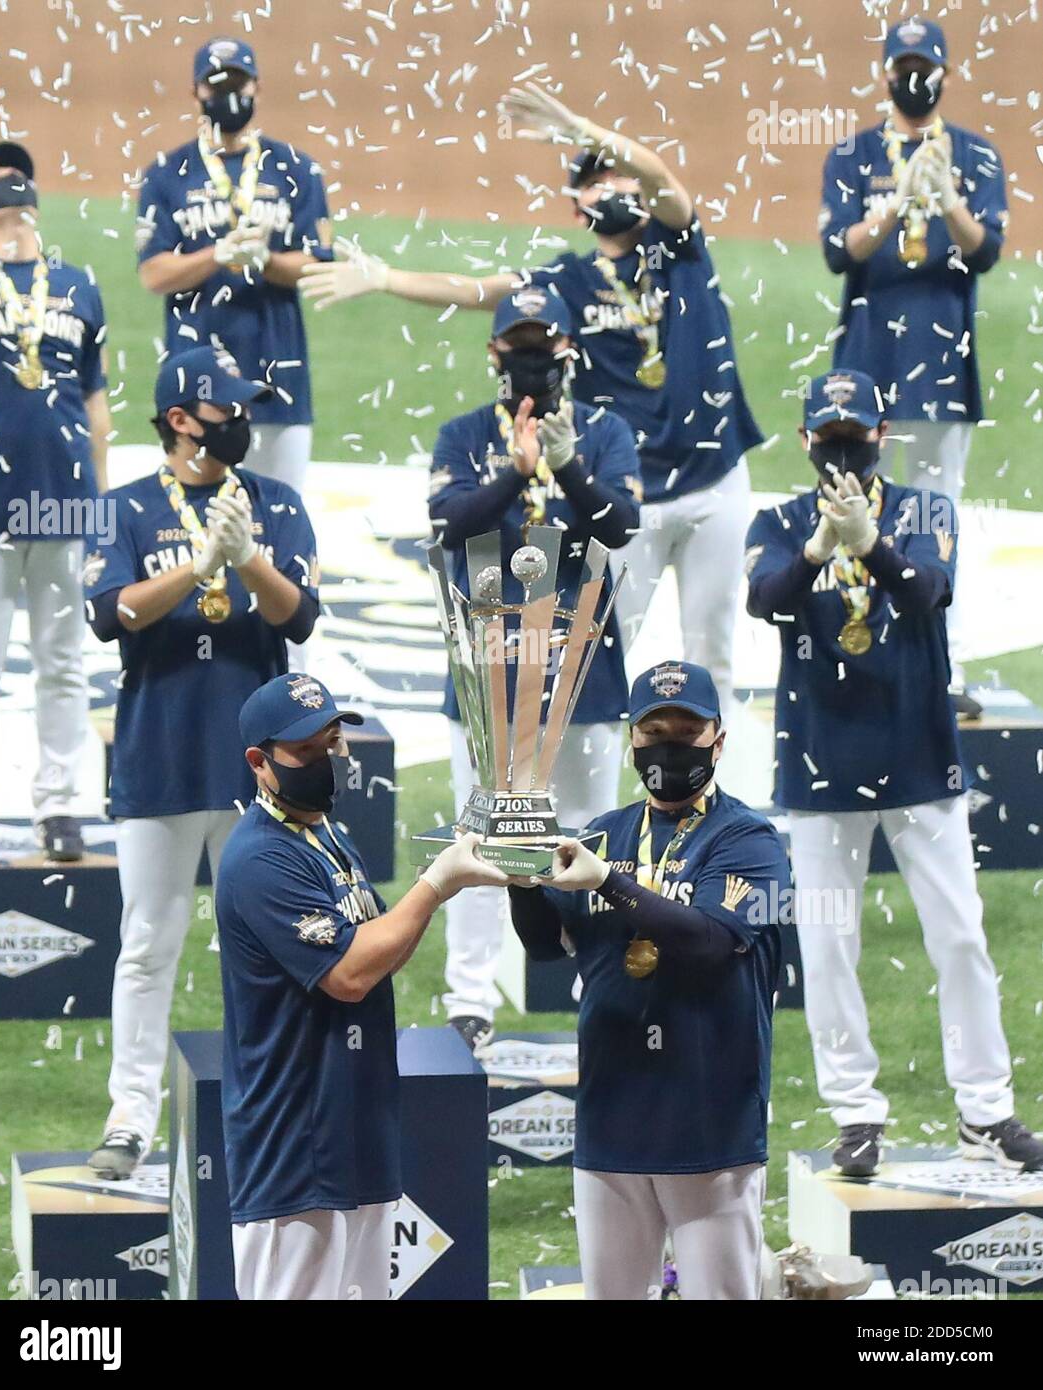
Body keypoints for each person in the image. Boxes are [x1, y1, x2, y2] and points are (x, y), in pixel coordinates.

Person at [300, 79, 762, 714]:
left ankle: (716, 802)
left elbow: (659, 174)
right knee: (604, 651)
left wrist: (584, 130)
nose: (617, 188)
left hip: (715, 481)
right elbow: (474, 290)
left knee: (715, 656)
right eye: (596, 182)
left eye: (621, 178)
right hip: (631, 494)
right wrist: (385, 279)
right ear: (576, 206)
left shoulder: (676, 245)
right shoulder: (564, 281)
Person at [745, 367, 1043, 1177]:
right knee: (828, 942)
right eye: (828, 435)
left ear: (882, 435)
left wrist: (866, 544)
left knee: (960, 937)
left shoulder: (923, 512)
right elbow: (763, 601)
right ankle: (854, 1113)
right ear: (805, 439)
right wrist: (817, 548)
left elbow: (926, 593)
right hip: (818, 770)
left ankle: (984, 1110)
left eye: (857, 434)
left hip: (918, 761)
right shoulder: (776, 521)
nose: (843, 448)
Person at [83, 347, 321, 1179]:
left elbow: (299, 619)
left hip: (263, 770)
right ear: (181, 419)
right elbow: (109, 615)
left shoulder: (278, 504)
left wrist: (248, 557)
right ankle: (129, 1117)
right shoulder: (119, 511)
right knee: (148, 942)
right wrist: (199, 565)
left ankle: (275, 1101)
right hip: (159, 757)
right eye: (227, 408)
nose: (242, 421)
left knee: (270, 940)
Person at [215, 673, 507, 1300]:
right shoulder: (259, 859)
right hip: (294, 1144)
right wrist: (437, 884)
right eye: (308, 750)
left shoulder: (325, 835)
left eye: (333, 740)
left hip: (355, 1133)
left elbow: (377, 949)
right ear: (259, 764)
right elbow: (348, 974)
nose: (330, 759)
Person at [508, 661, 788, 1299]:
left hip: (708, 1120)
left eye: (686, 731)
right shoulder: (605, 833)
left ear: (718, 740)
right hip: (612, 1115)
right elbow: (545, 946)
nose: (668, 745)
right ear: (630, 738)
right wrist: (520, 876)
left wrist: (610, 882)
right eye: (653, 729)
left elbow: (711, 942)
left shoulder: (749, 839)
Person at [428, 284, 640, 1050]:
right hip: (489, 671)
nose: (530, 360)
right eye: (516, 345)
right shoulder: (459, 435)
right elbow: (450, 524)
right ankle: (469, 1002)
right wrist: (518, 475)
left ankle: (598, 986)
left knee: (582, 839)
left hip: (582, 668)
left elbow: (621, 522)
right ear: (493, 354)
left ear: (567, 351)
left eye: (543, 344)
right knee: (484, 841)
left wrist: (568, 468)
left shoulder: (606, 432)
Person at [819, 16, 1007, 714]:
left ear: (945, 74)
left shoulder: (977, 155)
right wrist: (898, 199)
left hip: (939, 369)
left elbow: (985, 250)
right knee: (853, 513)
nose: (912, 75)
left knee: (933, 519)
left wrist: (947, 198)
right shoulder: (851, 154)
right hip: (866, 369)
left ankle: (936, 667)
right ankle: (854, 651)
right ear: (885, 74)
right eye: (902, 63)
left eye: (923, 64)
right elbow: (842, 251)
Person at [0, 140, 110, 863]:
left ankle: (60, 806)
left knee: (61, 661)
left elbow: (97, 405)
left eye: (20, 178)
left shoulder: (79, 285)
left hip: (62, 504)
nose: (12, 187)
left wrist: (102, 508)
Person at [136, 36, 333, 493]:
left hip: (278, 380)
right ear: (196, 93)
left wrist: (266, 261)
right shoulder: (167, 173)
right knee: (198, 522)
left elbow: (317, 265)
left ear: (257, 89)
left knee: (280, 520)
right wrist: (216, 256)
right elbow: (153, 274)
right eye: (216, 85)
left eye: (238, 83)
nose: (228, 95)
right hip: (195, 386)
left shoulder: (297, 169)